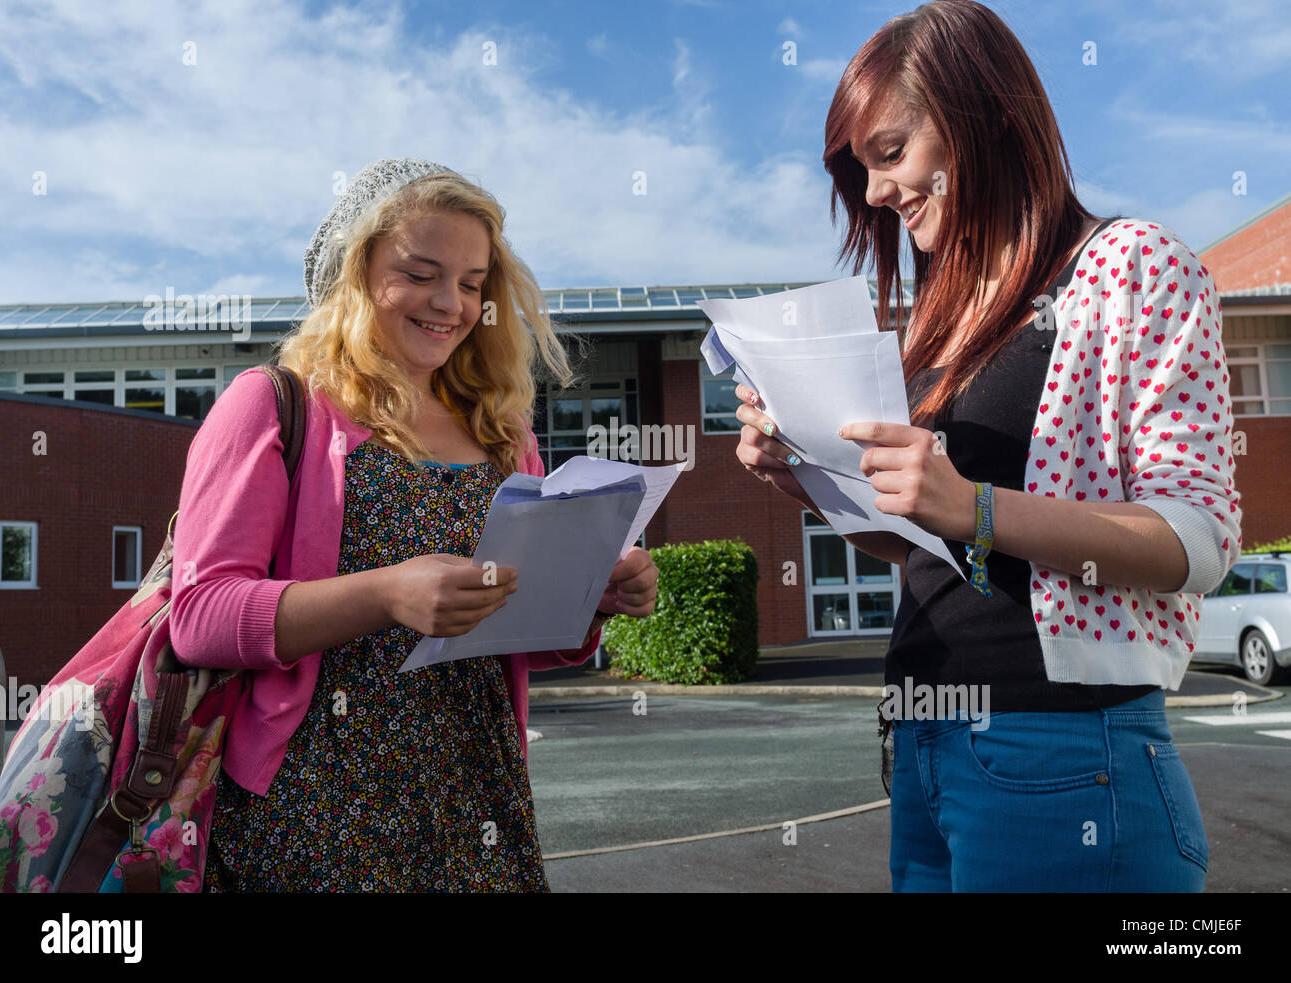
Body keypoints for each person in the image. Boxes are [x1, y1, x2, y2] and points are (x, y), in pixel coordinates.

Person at [734, 0, 1241, 892]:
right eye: (864, 171)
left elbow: (1197, 540)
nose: (880, 193)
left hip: (1061, 748)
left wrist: (971, 501)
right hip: (925, 744)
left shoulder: (1129, 266)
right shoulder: (938, 322)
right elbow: (936, 552)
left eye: (890, 153)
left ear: (983, 115)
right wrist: (804, 480)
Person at [168, 159, 658, 892]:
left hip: (480, 805)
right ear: (354, 273)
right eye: (421, 273)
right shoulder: (273, 405)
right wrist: (386, 593)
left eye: (470, 282)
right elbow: (200, 616)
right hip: (313, 817)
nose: (450, 303)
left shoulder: (503, 432)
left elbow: (512, 635)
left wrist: (592, 596)